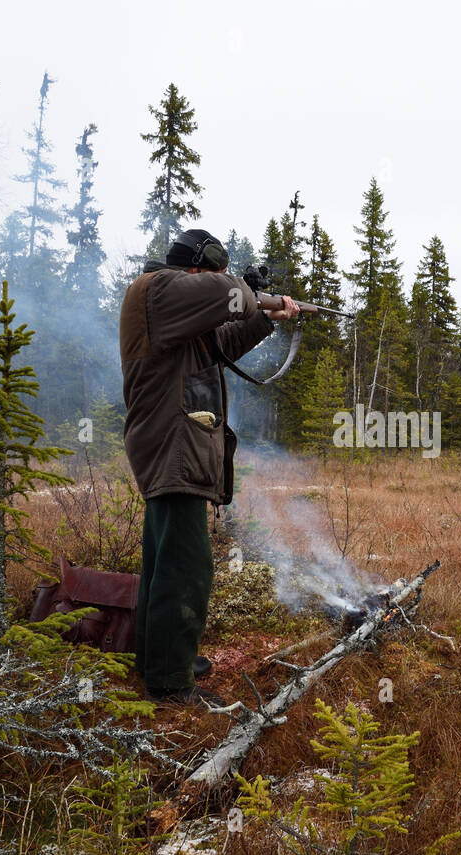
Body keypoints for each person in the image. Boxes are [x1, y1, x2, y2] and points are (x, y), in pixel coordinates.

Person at [118, 228, 298, 707]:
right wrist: (254, 292)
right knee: (187, 567)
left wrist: (266, 316)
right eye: (212, 274)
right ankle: (172, 683)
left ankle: (160, 660)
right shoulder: (157, 289)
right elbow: (226, 294)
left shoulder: (176, 310)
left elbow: (224, 341)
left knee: (166, 560)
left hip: (173, 443)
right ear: (196, 270)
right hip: (173, 443)